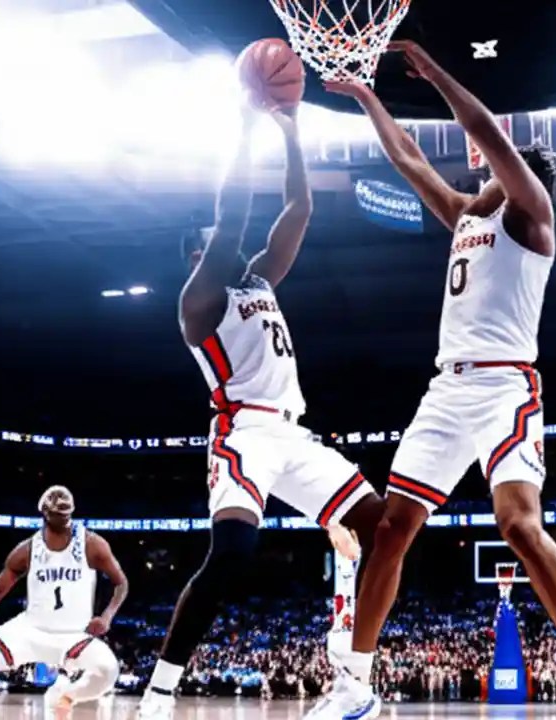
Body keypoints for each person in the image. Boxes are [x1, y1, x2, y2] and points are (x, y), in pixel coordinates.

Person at [309, 41, 556, 720]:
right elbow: (409, 159)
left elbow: (483, 130)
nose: (477, 164)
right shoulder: (466, 217)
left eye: (492, 163)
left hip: (505, 389)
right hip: (446, 392)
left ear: (519, 174)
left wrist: (434, 75)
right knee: (390, 530)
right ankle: (356, 683)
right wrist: (368, 98)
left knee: (518, 526)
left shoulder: (530, 214)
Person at [135, 99, 386, 719]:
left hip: (293, 436)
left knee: (384, 531)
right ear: (197, 260)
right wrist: (246, 128)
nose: (230, 247)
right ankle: (160, 692)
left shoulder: (259, 281)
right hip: (241, 433)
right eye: (214, 246)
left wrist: (292, 133)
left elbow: (299, 210)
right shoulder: (198, 300)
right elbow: (233, 219)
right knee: (231, 554)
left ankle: (351, 672)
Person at [0, 486, 127, 719]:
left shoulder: (91, 543)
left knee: (108, 670)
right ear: (45, 513)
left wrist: (107, 616)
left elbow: (121, 583)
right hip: (29, 629)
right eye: (58, 513)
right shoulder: (27, 549)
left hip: (74, 633)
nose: (63, 518)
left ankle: (65, 694)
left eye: (66, 513)